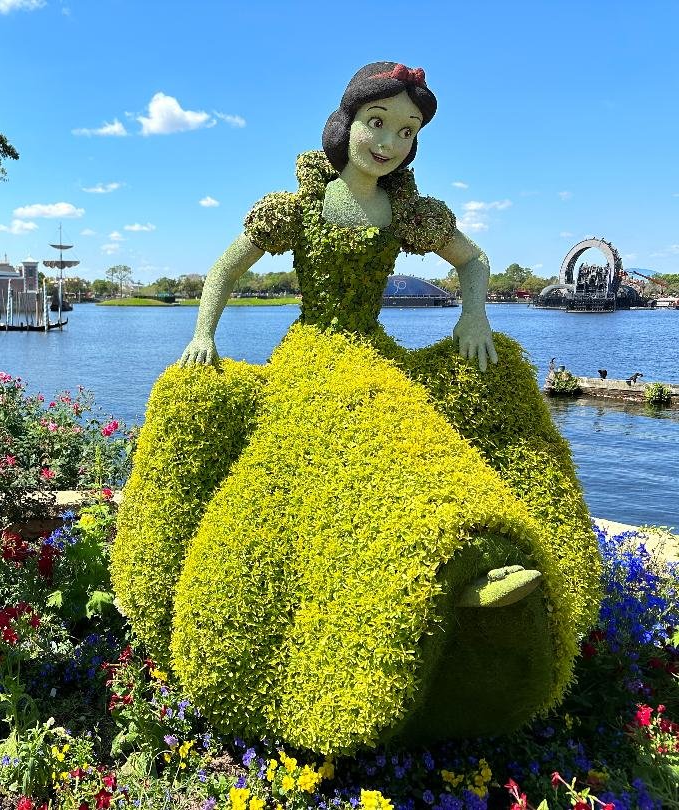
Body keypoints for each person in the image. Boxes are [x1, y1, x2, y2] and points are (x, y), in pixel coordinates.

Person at [111, 62, 600, 753]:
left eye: (407, 130)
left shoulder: (407, 213)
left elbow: (476, 261)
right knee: (342, 433)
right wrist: (202, 334)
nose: (390, 142)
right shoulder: (298, 207)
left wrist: (474, 319)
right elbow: (224, 267)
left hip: (374, 350)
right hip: (312, 353)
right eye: (379, 123)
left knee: (452, 399)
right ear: (349, 124)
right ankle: (396, 588)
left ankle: (471, 553)